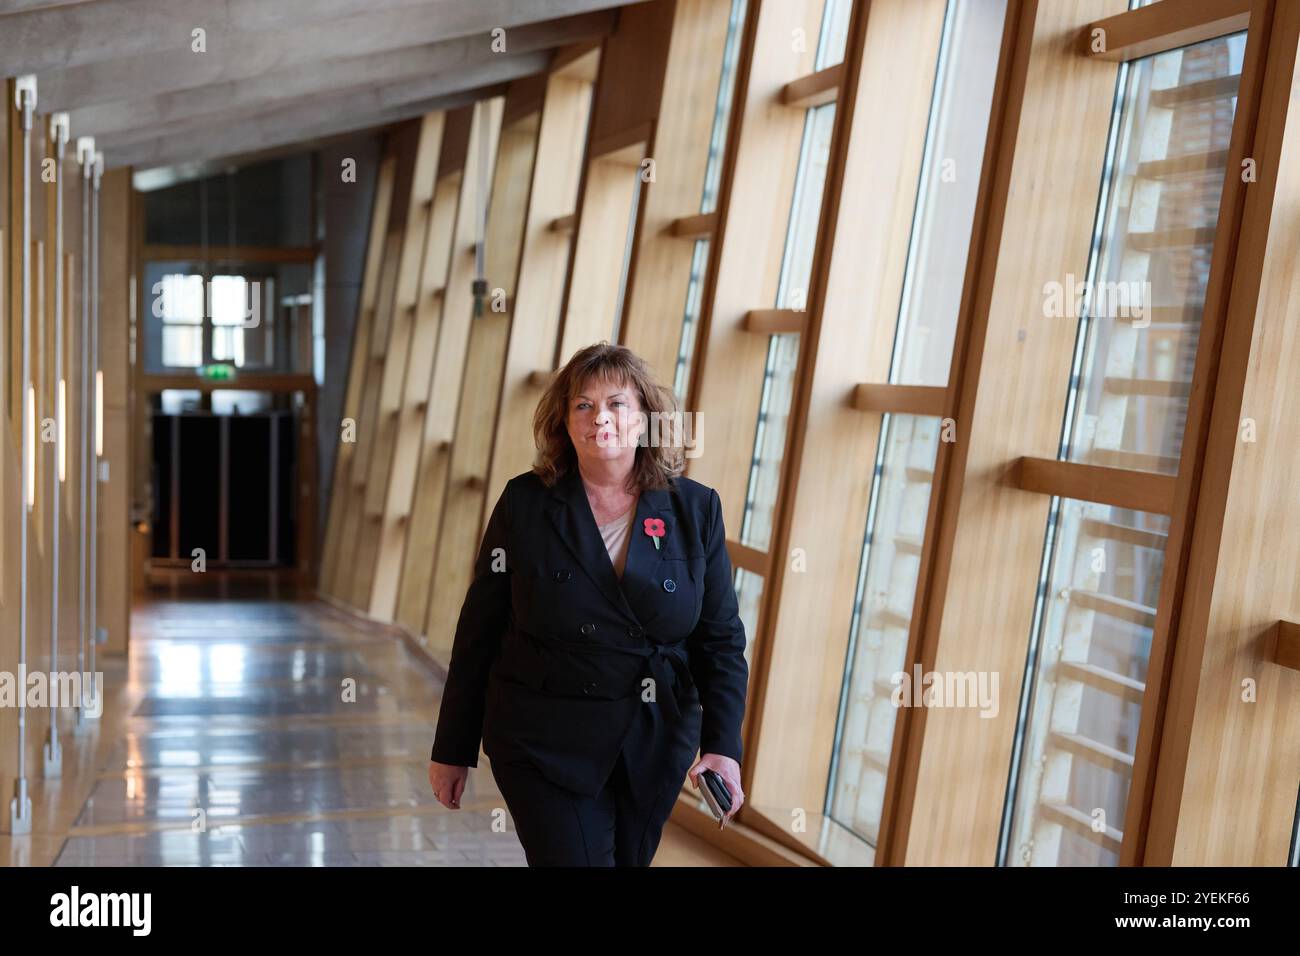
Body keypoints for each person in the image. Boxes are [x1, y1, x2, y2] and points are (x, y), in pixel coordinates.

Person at [427, 341, 749, 866]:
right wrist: (452, 748)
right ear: (564, 421)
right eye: (583, 405)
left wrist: (723, 747)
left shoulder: (695, 509)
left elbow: (720, 639)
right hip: (544, 737)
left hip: (654, 739)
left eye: (617, 403)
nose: (600, 417)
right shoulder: (525, 504)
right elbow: (479, 631)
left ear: (643, 418)